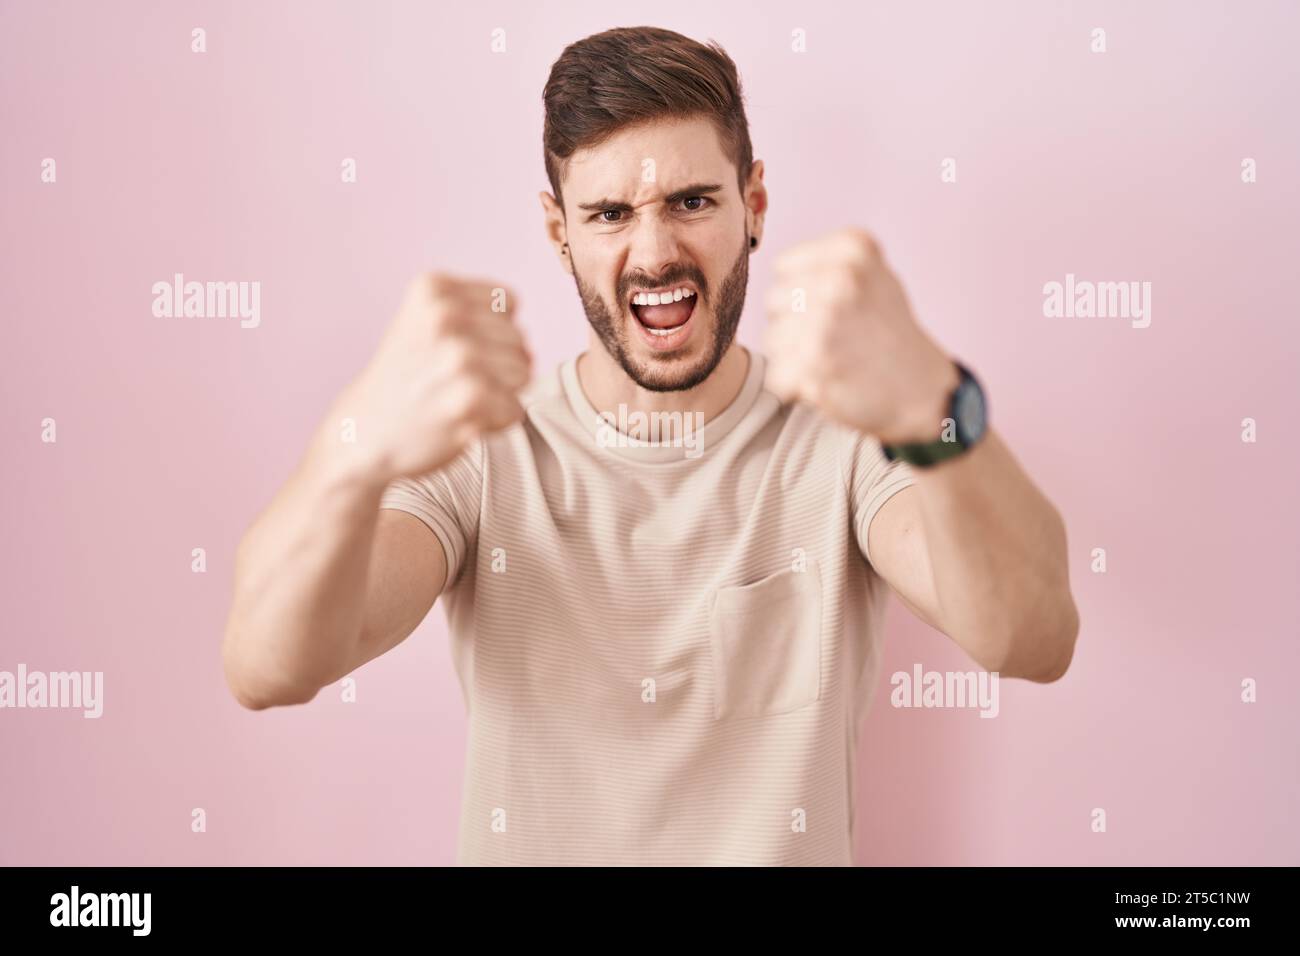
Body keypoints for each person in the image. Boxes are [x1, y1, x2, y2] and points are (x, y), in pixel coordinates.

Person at [221, 26, 1079, 865]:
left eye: (692, 201)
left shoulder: (847, 441)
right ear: (561, 234)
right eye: (609, 214)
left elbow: (1031, 640)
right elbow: (269, 668)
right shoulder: (485, 451)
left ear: (755, 207)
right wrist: (354, 446)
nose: (655, 253)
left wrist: (936, 401)